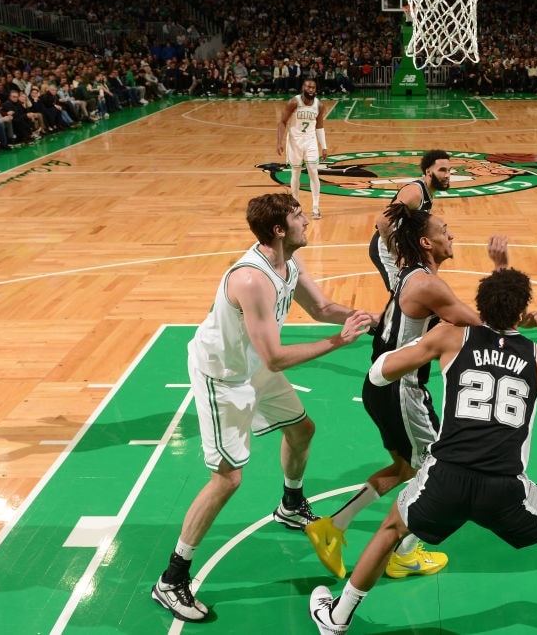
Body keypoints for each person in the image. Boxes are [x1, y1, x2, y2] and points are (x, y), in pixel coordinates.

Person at [309, 268, 537, 635]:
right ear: (522, 313)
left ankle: (337, 619)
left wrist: (421, 342)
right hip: (504, 488)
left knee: (391, 529)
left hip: (445, 479)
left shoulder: (450, 336)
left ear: (479, 307)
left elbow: (378, 374)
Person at [150, 193, 378, 623]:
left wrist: (374, 319)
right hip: (223, 377)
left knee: (302, 430)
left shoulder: (289, 261)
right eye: (298, 216)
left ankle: (291, 505)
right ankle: (171, 579)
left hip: (252, 363)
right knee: (227, 479)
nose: (306, 221)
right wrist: (339, 341)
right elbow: (275, 357)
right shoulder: (251, 280)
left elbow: (322, 307)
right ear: (278, 230)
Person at [306, 205, 509, 580]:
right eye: (444, 230)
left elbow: (387, 226)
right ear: (426, 242)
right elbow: (486, 329)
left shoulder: (409, 272)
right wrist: (500, 269)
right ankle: (404, 553)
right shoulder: (429, 285)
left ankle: (331, 528)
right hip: (403, 390)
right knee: (448, 474)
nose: (451, 235)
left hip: (379, 383)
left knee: (405, 468)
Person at [368, 149, 452, 292]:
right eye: (442, 170)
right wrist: (396, 255)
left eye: (449, 170)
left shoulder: (429, 191)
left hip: (404, 246)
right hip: (387, 247)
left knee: (416, 290)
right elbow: (383, 221)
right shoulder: (415, 193)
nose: (447, 175)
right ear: (428, 172)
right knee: (402, 294)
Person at [277, 79, 328, 218]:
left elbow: (319, 126)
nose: (311, 90)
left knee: (313, 172)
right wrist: (279, 142)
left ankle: (316, 207)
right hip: (295, 142)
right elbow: (282, 122)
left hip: (310, 141)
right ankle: (296, 207)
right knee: (296, 173)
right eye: (308, 87)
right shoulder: (294, 102)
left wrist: (324, 146)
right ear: (303, 88)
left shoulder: (319, 105)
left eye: (313, 87)